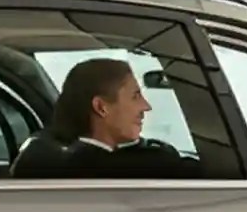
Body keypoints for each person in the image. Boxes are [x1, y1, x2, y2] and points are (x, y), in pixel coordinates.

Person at [12, 57, 205, 179]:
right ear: (101, 107)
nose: (146, 106)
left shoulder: (35, 158)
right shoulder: (153, 166)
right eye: (135, 96)